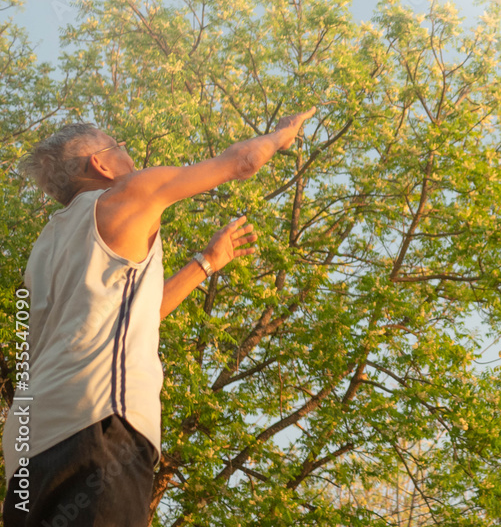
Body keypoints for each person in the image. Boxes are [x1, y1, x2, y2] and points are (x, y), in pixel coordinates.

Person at [2, 107, 315, 527]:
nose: (129, 155)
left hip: (25, 452)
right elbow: (243, 160)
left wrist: (206, 262)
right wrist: (280, 135)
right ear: (101, 163)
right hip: (97, 424)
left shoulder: (44, 249)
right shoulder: (128, 193)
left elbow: (136, 312)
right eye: (119, 147)